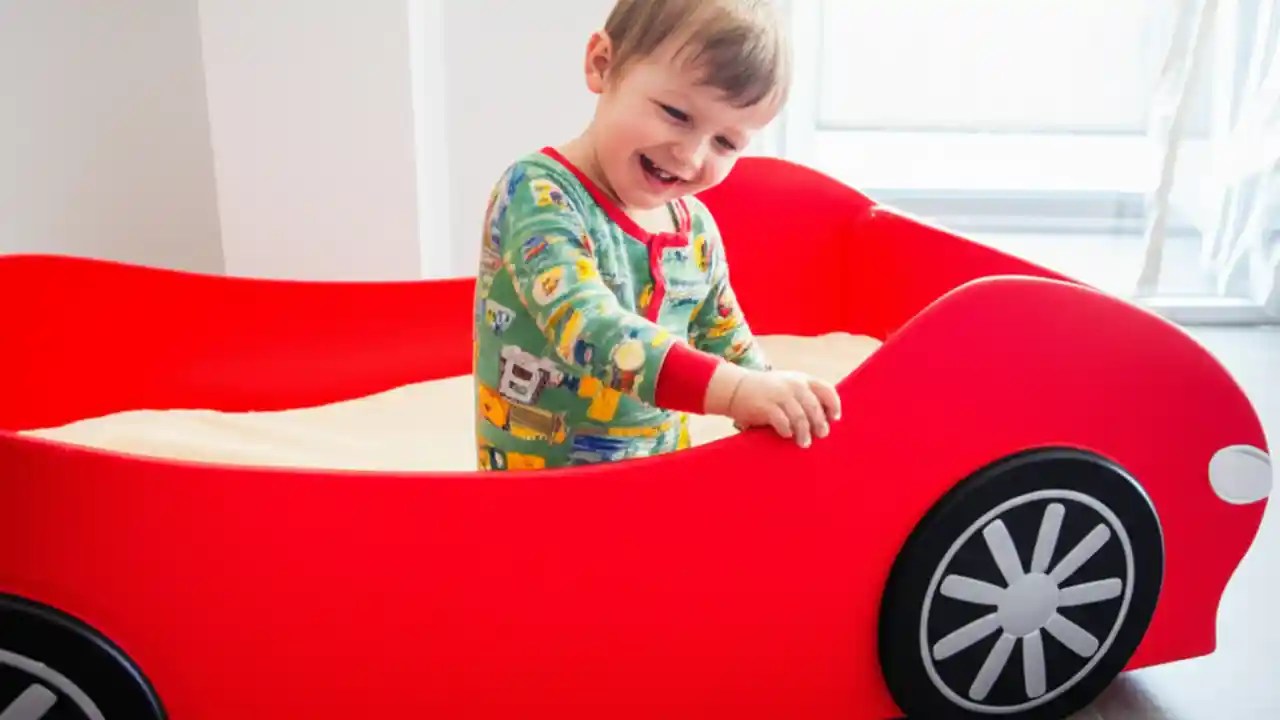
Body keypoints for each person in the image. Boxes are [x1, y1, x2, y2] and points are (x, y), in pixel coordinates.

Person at [472, 0, 840, 471]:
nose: (689, 157)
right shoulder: (538, 193)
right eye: (676, 113)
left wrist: (774, 394)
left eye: (726, 143)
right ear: (603, 65)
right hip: (541, 487)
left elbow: (724, 333)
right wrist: (735, 392)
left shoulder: (696, 229)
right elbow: (588, 326)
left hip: (658, 477)